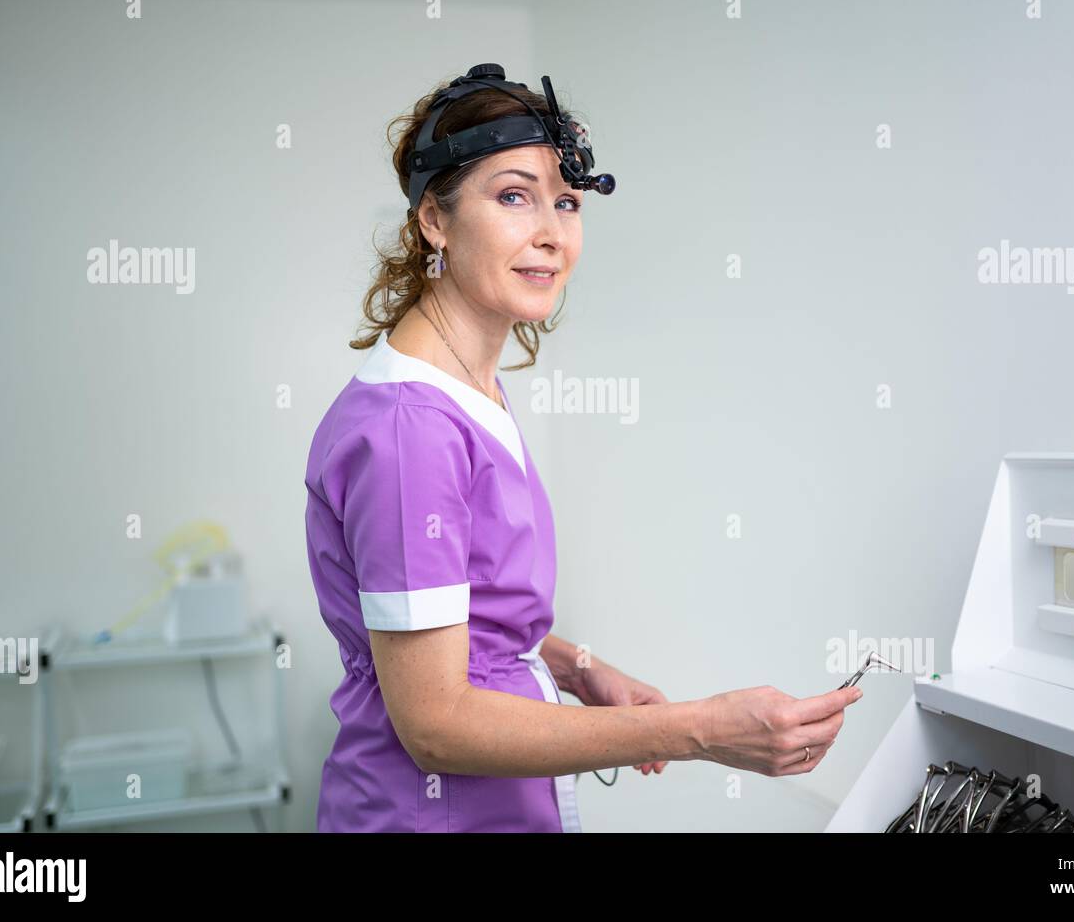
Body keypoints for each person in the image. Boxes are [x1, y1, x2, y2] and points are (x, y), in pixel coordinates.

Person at [304, 66, 862, 832]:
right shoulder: (412, 429)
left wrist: (576, 668)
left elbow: (459, 617)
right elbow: (434, 725)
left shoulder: (466, 387)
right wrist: (701, 729)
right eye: (513, 196)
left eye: (566, 202)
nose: (551, 233)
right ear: (435, 218)